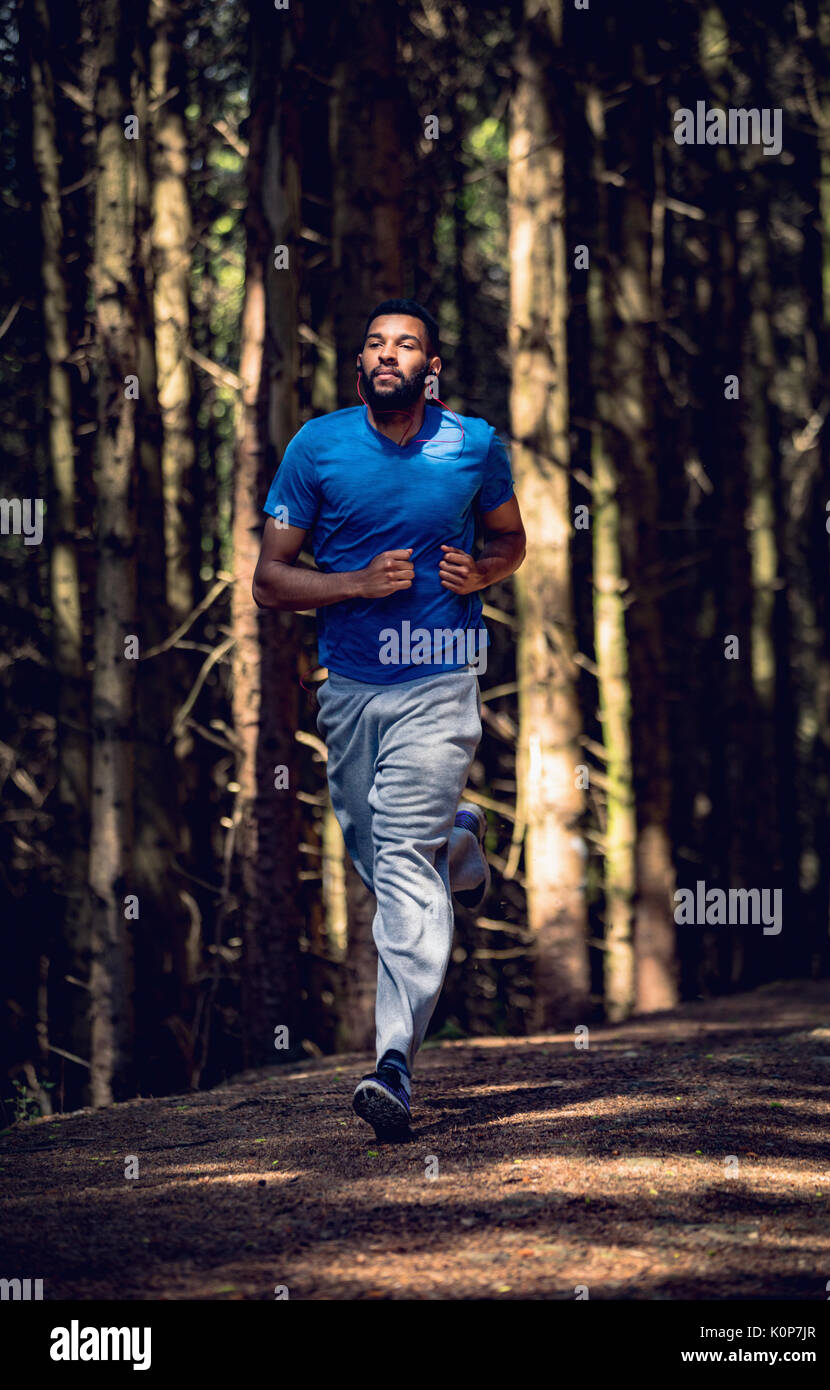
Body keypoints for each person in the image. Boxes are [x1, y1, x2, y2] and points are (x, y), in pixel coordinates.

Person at [252, 298, 526, 1138]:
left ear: (429, 367)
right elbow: (269, 578)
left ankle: (394, 1064)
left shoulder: (473, 444)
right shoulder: (317, 447)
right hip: (351, 687)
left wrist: (484, 574)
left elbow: (510, 540)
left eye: (404, 344)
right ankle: (460, 843)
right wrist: (355, 584)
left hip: (442, 681)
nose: (386, 354)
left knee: (400, 863)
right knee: (387, 857)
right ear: (359, 365)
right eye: (373, 343)